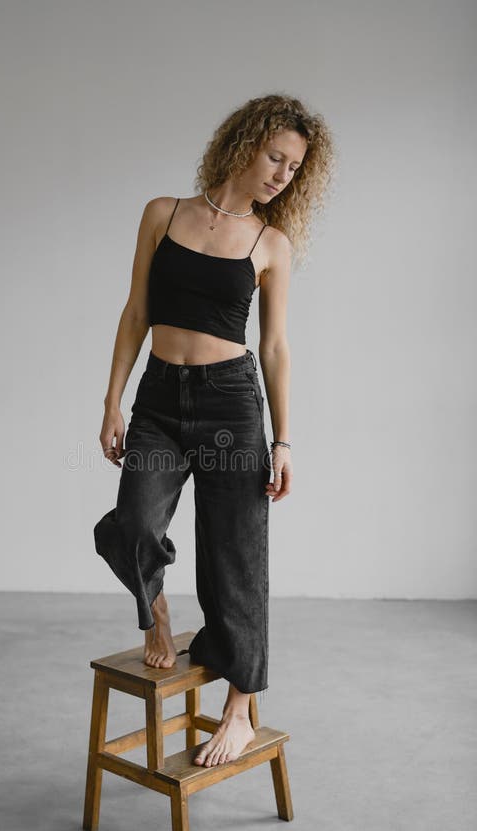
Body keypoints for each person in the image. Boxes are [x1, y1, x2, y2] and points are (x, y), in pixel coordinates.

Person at [94, 94, 335, 768]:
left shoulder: (270, 244)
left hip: (232, 404)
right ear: (243, 145)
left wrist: (283, 441)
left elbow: (278, 347)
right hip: (161, 402)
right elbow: (136, 310)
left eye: (294, 168)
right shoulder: (163, 213)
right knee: (135, 524)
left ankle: (239, 707)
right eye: (276, 157)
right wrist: (113, 400)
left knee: (237, 558)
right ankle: (157, 612)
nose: (283, 174)